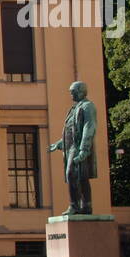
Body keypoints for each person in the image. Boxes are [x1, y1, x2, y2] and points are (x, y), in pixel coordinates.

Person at [49, 80, 98, 216]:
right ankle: (85, 206)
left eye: (73, 92)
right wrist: (59, 144)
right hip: (70, 147)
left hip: (78, 147)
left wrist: (84, 149)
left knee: (73, 174)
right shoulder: (74, 108)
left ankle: (75, 206)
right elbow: (70, 129)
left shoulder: (88, 106)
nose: (71, 95)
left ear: (81, 91)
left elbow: (89, 127)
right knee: (80, 176)